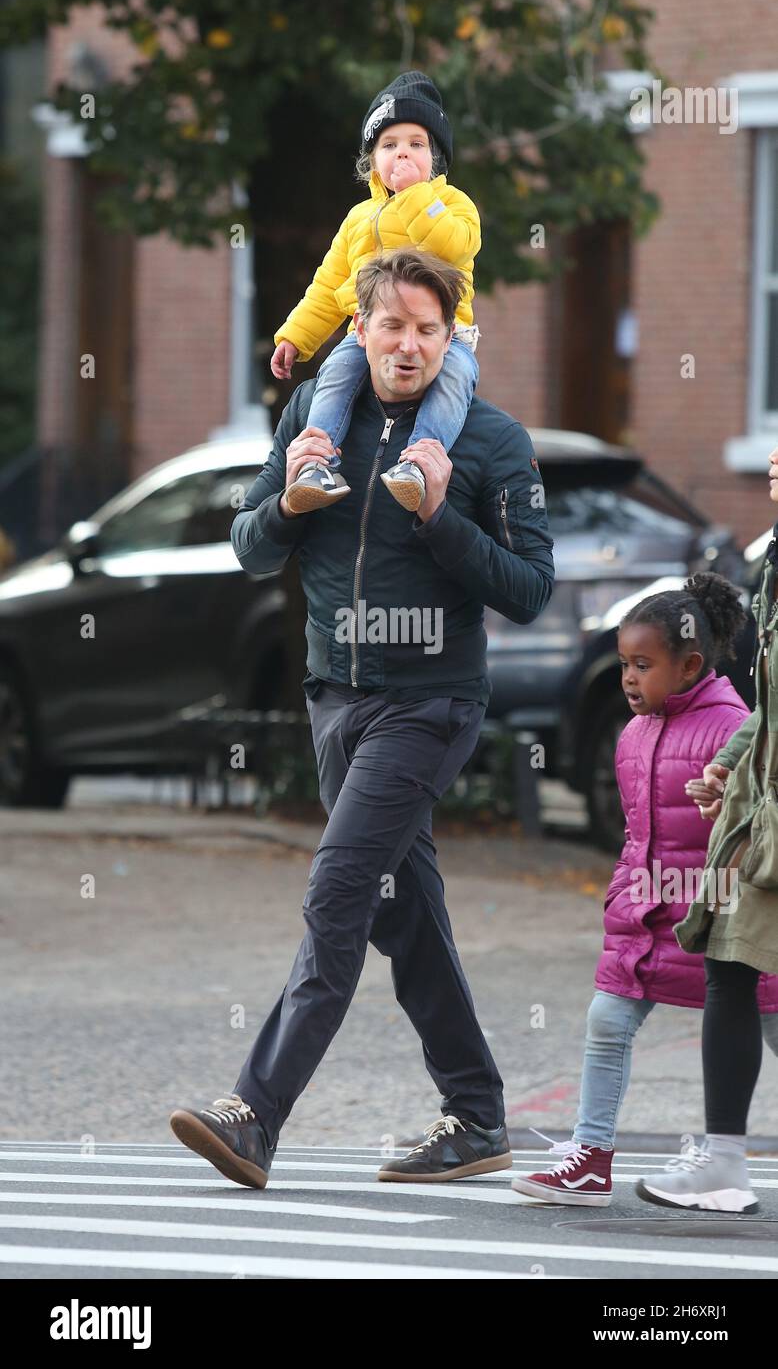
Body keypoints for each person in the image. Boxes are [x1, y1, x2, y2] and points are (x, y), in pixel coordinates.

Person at [169, 246, 555, 1189]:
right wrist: (292, 508)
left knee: (340, 889)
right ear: (361, 329)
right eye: (393, 326)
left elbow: (531, 589)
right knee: (402, 912)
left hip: (431, 703)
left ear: (449, 337)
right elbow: (250, 545)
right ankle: (476, 1116)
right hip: (333, 701)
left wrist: (437, 519)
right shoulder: (316, 415)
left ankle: (255, 1113)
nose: (409, 345)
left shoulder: (489, 441)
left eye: (429, 329)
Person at [511, 573, 778, 1208]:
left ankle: (719, 1160)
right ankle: (590, 1156)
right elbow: (638, 840)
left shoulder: (732, 727)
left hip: (724, 922)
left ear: (689, 665)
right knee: (607, 1022)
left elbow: (752, 822)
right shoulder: (631, 735)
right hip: (649, 922)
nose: (628, 679)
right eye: (624, 663)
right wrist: (625, 907)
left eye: (643, 665)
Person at [635, 448, 778, 1212]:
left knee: (737, 969)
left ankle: (725, 1161)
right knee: (732, 964)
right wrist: (730, 764)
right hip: (762, 809)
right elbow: (773, 712)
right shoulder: (774, 564)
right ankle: (724, 1160)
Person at [270, 70, 481, 516]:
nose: (402, 152)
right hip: (365, 331)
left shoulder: (451, 204)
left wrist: (414, 196)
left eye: (416, 144)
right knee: (334, 376)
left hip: (446, 335)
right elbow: (328, 285)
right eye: (389, 145)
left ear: (435, 160)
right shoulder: (358, 218)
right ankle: (316, 466)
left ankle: (419, 467)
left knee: (455, 381)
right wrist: (295, 336)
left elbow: (452, 245)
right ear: (371, 162)